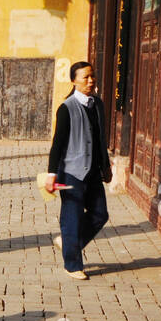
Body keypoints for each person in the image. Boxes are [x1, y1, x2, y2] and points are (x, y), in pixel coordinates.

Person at [45, 61, 113, 280]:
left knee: (100, 214)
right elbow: (57, 144)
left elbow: (101, 139)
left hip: (93, 171)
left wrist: (106, 166)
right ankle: (72, 265)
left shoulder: (98, 104)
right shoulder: (67, 108)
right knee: (71, 219)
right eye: (85, 77)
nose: (91, 81)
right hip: (71, 172)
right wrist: (51, 174)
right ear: (74, 80)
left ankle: (68, 243)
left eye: (92, 76)